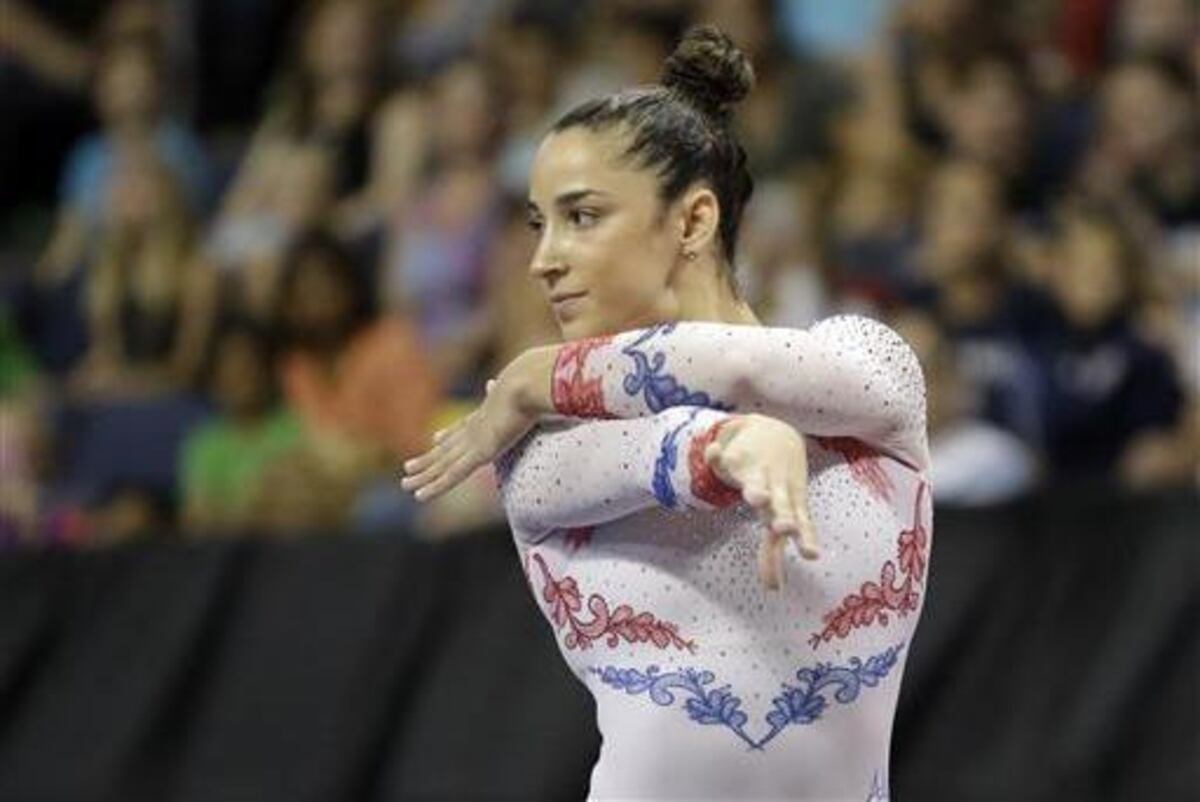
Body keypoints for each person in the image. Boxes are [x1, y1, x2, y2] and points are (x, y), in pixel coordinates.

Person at [402, 26, 930, 801]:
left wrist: (536, 373)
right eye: (537, 224)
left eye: (581, 216)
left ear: (692, 221)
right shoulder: (538, 447)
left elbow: (741, 364)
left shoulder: (868, 362)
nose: (544, 258)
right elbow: (674, 450)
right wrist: (730, 443)